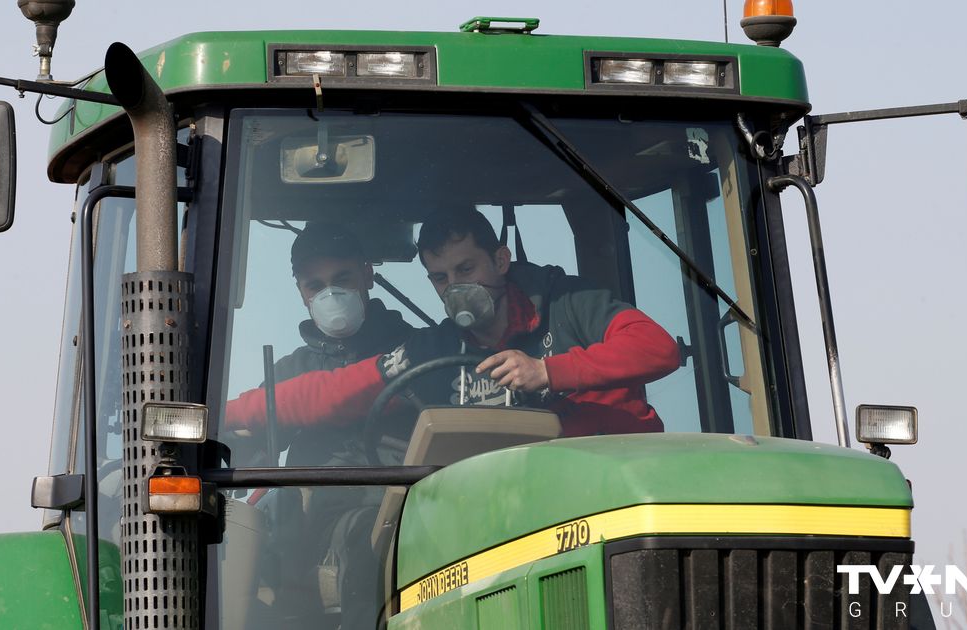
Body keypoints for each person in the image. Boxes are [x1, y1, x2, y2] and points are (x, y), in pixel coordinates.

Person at [226, 208, 682, 437]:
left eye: (466, 270)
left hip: (622, 491)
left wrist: (546, 371)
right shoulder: (432, 353)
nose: (454, 287)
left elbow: (657, 348)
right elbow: (331, 392)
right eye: (440, 278)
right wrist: (221, 416)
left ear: (501, 260)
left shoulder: (570, 302)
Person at [235, 222, 414, 630]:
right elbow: (249, 444)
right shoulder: (290, 372)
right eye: (314, 285)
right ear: (300, 292)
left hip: (407, 496)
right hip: (322, 519)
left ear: (368, 274)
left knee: (374, 531)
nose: (330, 294)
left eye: (342, 279)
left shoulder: (417, 350)